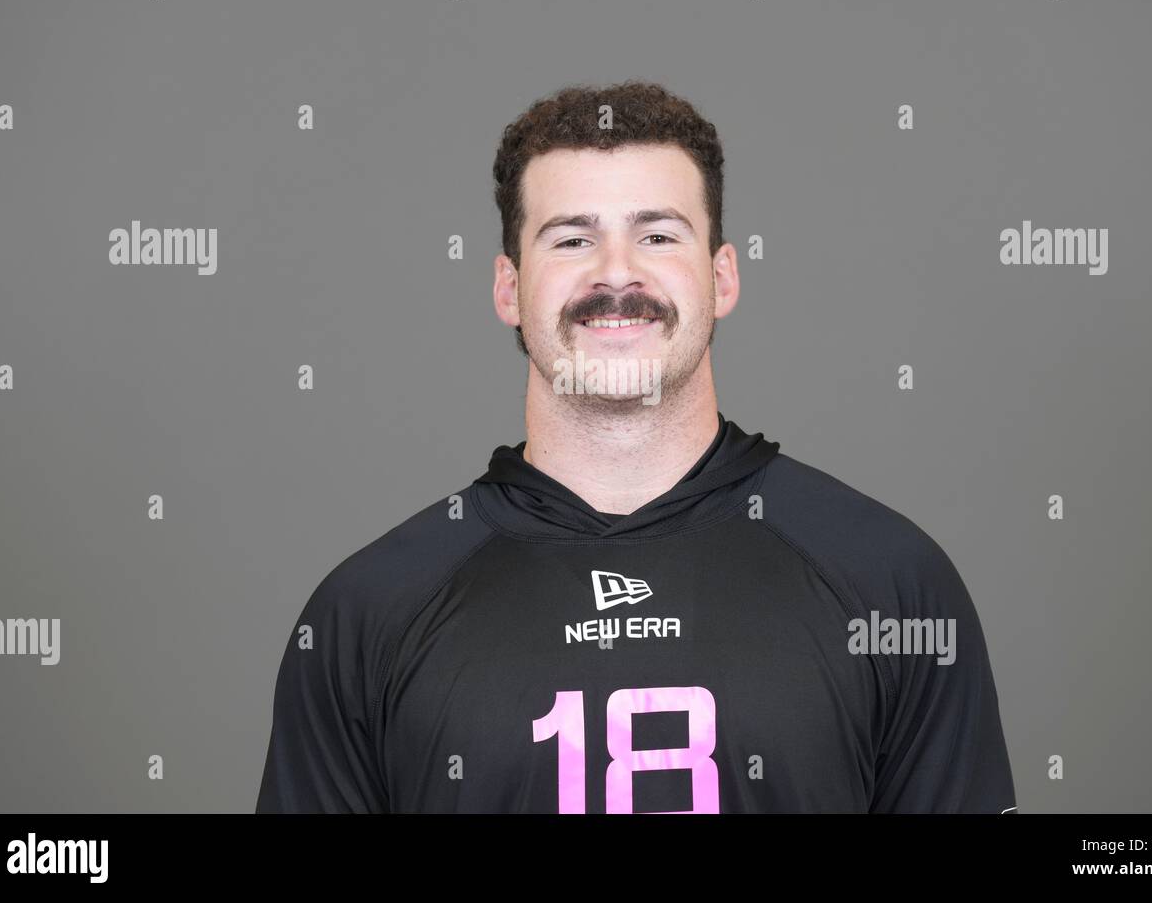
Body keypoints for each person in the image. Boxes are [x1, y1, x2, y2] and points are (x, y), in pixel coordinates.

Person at [255, 80, 1016, 813]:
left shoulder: (890, 584)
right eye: (573, 238)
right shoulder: (368, 613)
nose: (615, 273)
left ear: (721, 277)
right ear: (508, 287)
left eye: (657, 235)